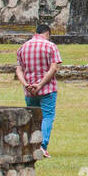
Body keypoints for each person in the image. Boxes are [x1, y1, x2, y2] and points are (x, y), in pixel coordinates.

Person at [15, 23, 62, 158]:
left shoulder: (23, 47)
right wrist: (40, 84)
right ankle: (42, 145)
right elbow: (53, 68)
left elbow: (19, 69)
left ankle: (32, 144)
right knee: (47, 116)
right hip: (47, 88)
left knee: (34, 117)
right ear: (47, 34)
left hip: (29, 89)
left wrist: (26, 84)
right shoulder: (50, 46)